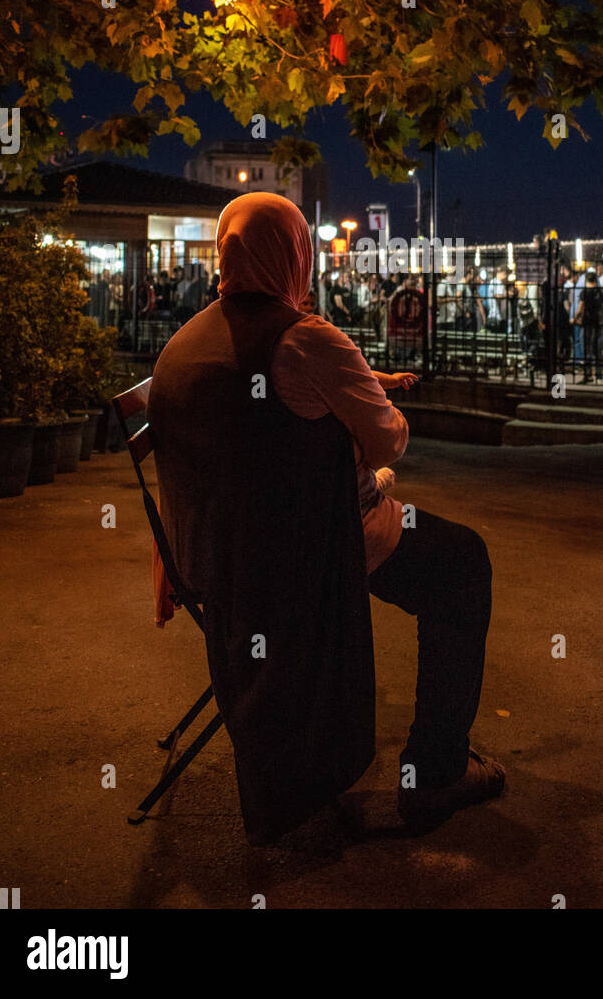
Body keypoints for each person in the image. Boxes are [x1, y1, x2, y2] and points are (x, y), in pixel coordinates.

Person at [148, 194, 503, 843]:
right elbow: (388, 440)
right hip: (306, 550)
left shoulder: (180, 345)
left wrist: (350, 386)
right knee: (463, 563)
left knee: (438, 547)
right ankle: (436, 773)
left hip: (213, 557)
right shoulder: (306, 338)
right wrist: (361, 395)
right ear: (294, 254)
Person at [576, 267, 603, 382]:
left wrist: (576, 318)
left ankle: (588, 374)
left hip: (587, 322)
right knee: (597, 350)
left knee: (586, 348)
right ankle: (599, 375)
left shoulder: (584, 292)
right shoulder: (599, 292)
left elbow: (580, 308)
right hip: (598, 322)